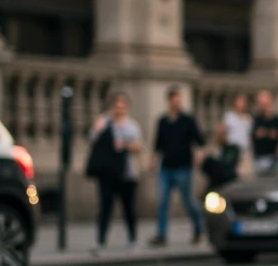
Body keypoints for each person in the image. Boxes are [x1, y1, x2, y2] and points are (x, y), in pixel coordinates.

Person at [87, 92, 143, 255]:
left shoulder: (131, 126)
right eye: (116, 106)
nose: (119, 110)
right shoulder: (104, 122)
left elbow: (138, 147)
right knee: (105, 208)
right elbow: (92, 139)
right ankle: (100, 241)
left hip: (127, 173)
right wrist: (99, 126)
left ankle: (133, 239)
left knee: (129, 208)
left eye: (122, 106)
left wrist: (124, 145)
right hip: (108, 173)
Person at [151, 86, 206, 246]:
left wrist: (199, 155)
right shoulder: (163, 121)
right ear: (169, 101)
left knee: (188, 200)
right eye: (174, 100)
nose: (177, 103)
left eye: (179, 100)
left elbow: (199, 140)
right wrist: (154, 161)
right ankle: (161, 235)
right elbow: (158, 145)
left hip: (183, 167)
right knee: (162, 202)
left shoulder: (187, 120)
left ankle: (198, 229)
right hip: (166, 168)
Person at [251, 89, 278, 173]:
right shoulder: (257, 120)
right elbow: (253, 136)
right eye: (259, 103)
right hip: (260, 158)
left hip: (274, 159)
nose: (262, 106)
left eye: (264, 103)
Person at [200, 121, 241, 190]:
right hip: (215, 183)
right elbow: (204, 166)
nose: (220, 135)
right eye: (219, 133)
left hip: (229, 182)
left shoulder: (233, 148)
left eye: (223, 133)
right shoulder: (212, 148)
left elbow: (227, 165)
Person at [222, 93, 253, 178]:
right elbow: (223, 131)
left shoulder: (248, 118)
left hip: (244, 151)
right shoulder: (229, 116)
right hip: (233, 150)